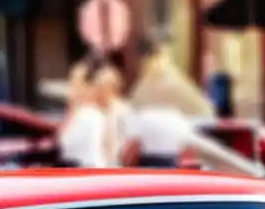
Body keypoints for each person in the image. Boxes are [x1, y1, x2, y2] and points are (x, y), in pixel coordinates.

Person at [124, 40, 213, 168]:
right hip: (184, 144)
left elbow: (134, 113)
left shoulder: (153, 82)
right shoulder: (171, 77)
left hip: (173, 147)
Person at [57, 60, 107, 168]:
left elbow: (66, 143)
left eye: (75, 83)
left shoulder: (89, 115)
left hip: (89, 170)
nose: (72, 90)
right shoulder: (83, 113)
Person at [94, 64, 132, 167]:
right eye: (98, 87)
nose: (99, 91)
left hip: (116, 166)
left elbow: (125, 143)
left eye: (103, 87)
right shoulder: (95, 110)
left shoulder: (124, 110)